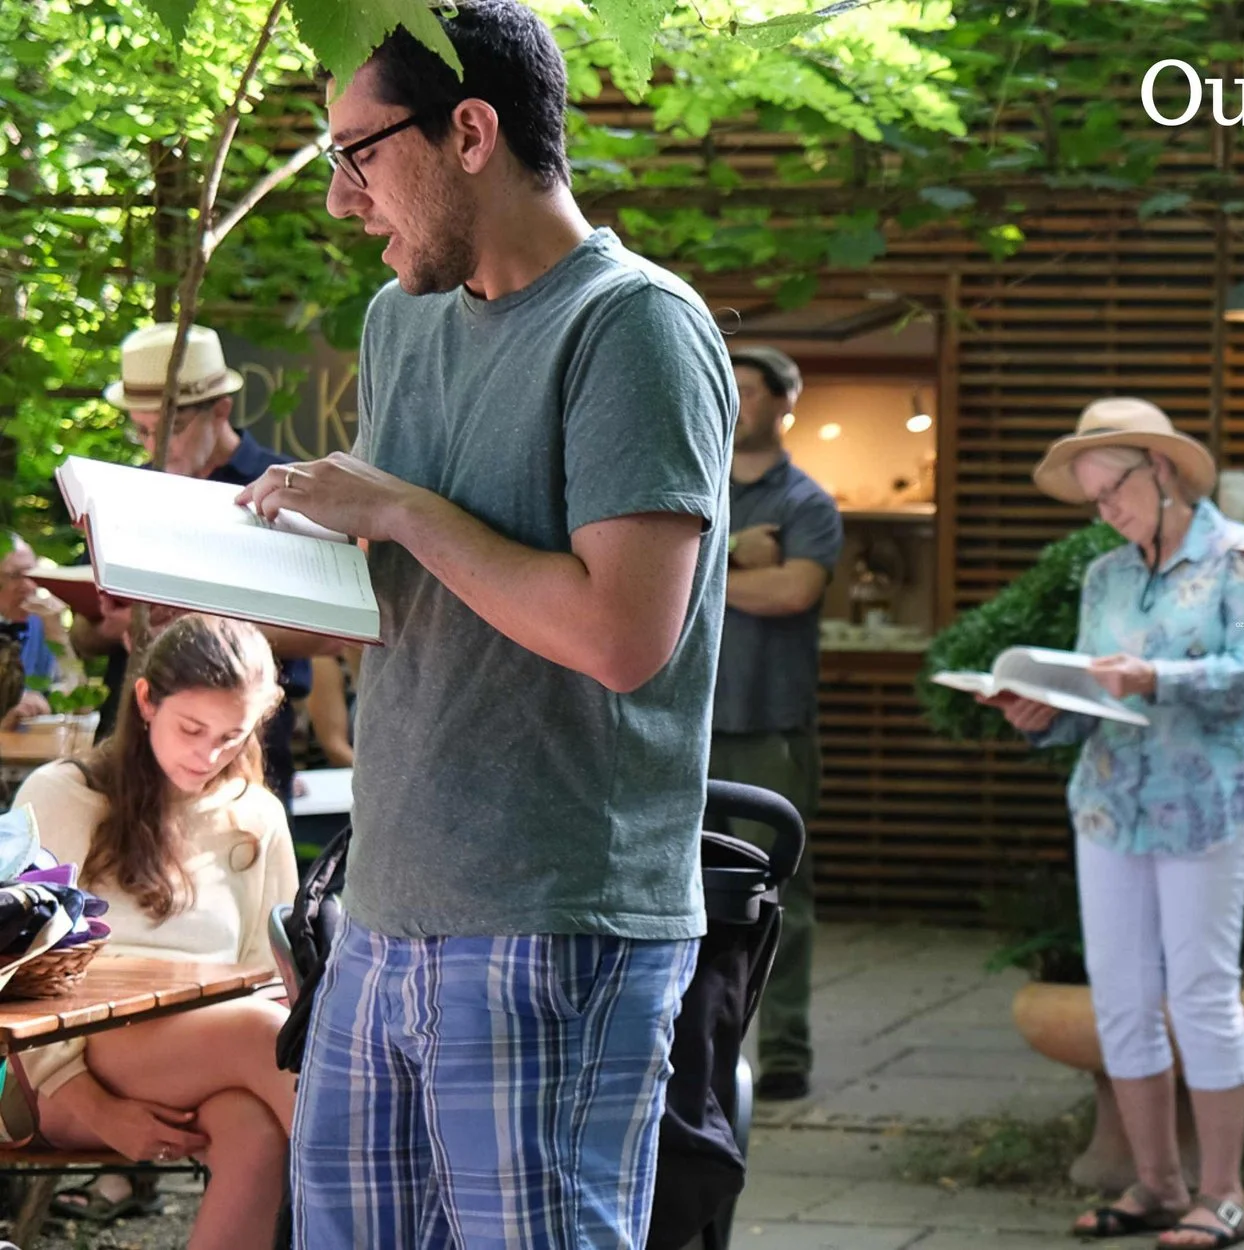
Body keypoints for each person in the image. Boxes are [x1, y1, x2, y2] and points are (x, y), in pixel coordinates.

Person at [236, 2, 735, 1243]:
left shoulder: (635, 326)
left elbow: (622, 638)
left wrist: (400, 506)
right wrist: (230, 583)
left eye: (358, 155)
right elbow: (409, 601)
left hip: (558, 913)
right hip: (385, 900)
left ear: (470, 131)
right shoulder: (401, 317)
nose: (345, 202)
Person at [982, 398, 1244, 1250]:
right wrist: (1047, 713)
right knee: (1119, 997)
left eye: (1111, 491)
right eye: (1092, 500)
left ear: (1160, 469)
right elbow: (1094, 695)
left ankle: (1222, 1194)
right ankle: (1155, 1185)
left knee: (1200, 993)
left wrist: (1156, 676)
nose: (1104, 512)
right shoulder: (1105, 575)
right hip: (1108, 805)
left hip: (1206, 806)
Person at [9, 614, 300, 1249]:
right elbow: (11, 971)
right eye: (191, 729)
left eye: (232, 735)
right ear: (145, 701)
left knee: (253, 1134)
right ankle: (383, 1221)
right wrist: (90, 1103)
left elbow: (272, 973)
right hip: (55, 1061)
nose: (209, 753)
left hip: (216, 1049)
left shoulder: (257, 814)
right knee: (271, 1036)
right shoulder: (67, 794)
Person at [81, 321, 325, 812]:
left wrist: (198, 622)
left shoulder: (285, 489)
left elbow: (328, 635)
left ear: (221, 410)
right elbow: (81, 637)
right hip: (129, 735)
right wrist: (113, 624)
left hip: (242, 742)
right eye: (144, 430)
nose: (155, 447)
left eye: (172, 429)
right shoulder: (126, 494)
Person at [713, 342, 844, 1101]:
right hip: (690, 728)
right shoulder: (702, 485)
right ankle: (708, 1039)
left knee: (777, 897)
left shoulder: (807, 504)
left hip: (771, 729)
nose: (738, 405)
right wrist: (735, 558)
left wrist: (707, 571)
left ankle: (786, 1051)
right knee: (690, 894)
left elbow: (794, 590)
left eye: (753, 392)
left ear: (786, 403)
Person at [1, 533, 61, 728]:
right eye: (16, 576)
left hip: (31, 750)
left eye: (33, 575)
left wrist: (59, 636)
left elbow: (82, 702)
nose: (28, 586)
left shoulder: (43, 623)